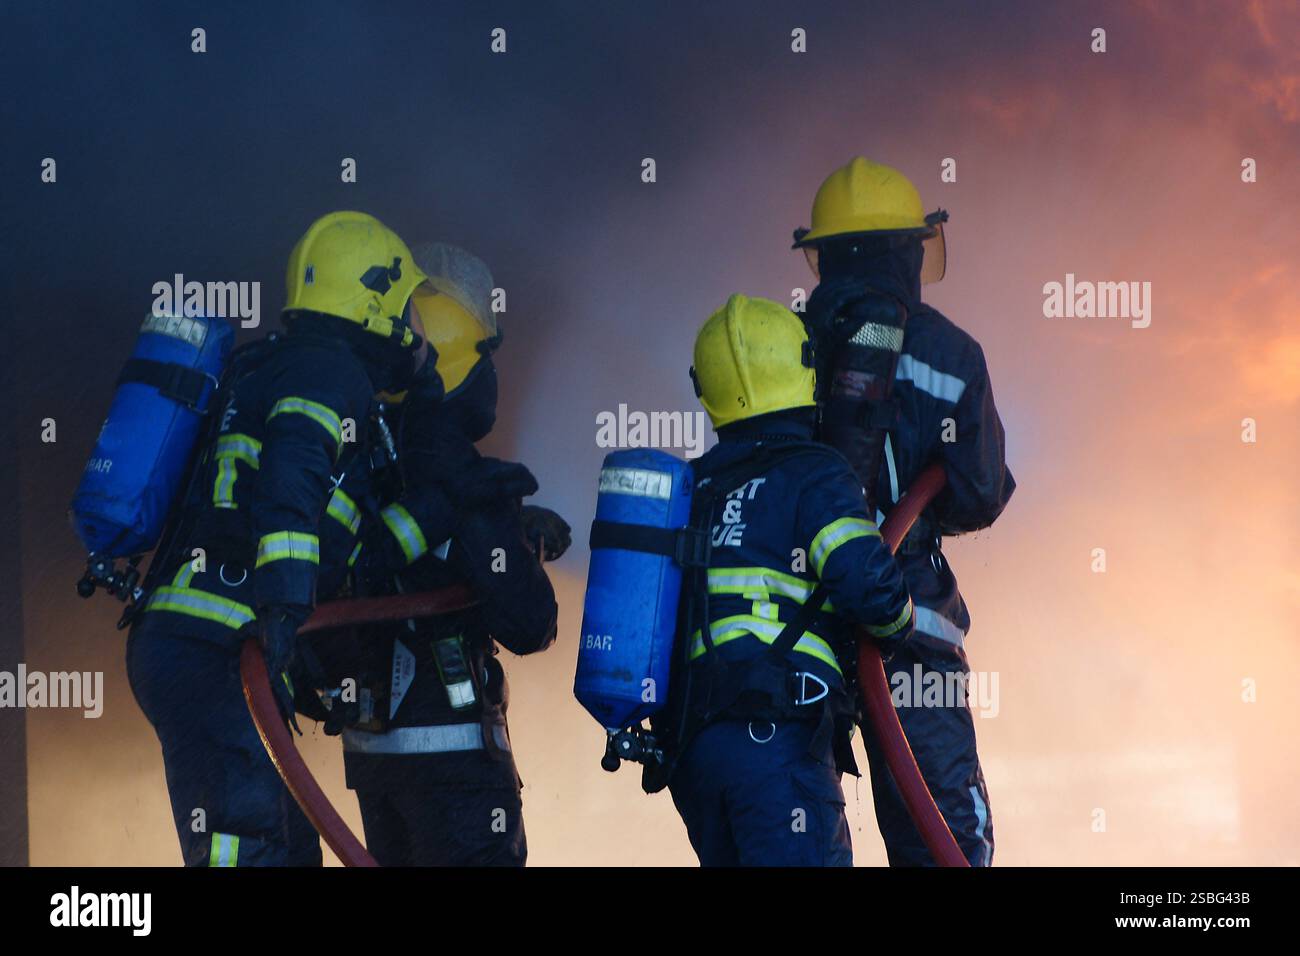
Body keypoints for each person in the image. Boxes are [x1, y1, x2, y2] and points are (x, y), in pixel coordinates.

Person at [126, 211, 432, 866]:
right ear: (372, 299)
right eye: (406, 306)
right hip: (215, 645)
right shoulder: (328, 373)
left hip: (201, 641)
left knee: (289, 843)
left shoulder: (269, 364)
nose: (413, 329)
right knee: (249, 840)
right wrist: (287, 610)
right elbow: (290, 483)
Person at [313, 243, 569, 866]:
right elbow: (530, 623)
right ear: (465, 365)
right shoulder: (460, 472)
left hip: (375, 765)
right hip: (455, 768)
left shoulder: (369, 456)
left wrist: (518, 529)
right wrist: (511, 542)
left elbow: (399, 559)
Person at [793, 157, 1015, 866]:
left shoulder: (786, 346)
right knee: (942, 836)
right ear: (909, 250)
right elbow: (981, 493)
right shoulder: (949, 352)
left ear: (823, 255)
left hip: (795, 628)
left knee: (793, 836)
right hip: (911, 626)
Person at [661, 293, 914, 866]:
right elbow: (868, 586)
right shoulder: (814, 471)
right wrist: (901, 624)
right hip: (774, 741)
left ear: (708, 390)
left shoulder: (690, 489)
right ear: (806, 370)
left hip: (695, 756)